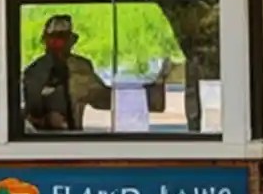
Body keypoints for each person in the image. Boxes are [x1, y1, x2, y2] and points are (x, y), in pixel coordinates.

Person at [21, 14, 170, 132]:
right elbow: (26, 116)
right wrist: (46, 120)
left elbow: (103, 98)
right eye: (55, 40)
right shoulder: (34, 73)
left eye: (62, 39)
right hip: (44, 143)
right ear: (47, 41)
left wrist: (146, 93)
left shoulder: (79, 67)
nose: (59, 45)